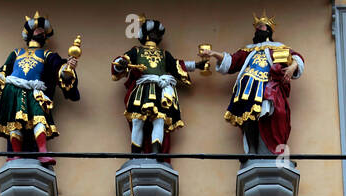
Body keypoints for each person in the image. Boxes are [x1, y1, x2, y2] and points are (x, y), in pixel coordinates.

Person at [0, 12, 79, 165]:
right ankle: (15, 155)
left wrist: (68, 69)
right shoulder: (16, 53)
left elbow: (59, 70)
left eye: (43, 32)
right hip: (13, 90)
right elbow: (4, 70)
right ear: (30, 33)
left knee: (39, 120)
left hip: (35, 91)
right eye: (38, 30)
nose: (41, 33)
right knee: (14, 122)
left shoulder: (48, 54)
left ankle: (42, 152)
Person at [210, 14, 304, 157]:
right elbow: (232, 61)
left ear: (269, 30)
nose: (258, 29)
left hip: (267, 86)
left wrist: (292, 68)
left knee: (274, 115)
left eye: (262, 26)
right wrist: (213, 53)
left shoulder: (278, 47)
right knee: (248, 117)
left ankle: (271, 150)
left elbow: (296, 57)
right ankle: (252, 150)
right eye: (257, 27)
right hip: (247, 86)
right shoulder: (248, 49)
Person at [111, 17, 203, 157]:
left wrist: (196, 65)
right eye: (152, 31)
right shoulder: (137, 51)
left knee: (159, 120)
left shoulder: (164, 54)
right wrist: (120, 63)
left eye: (157, 32)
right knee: (137, 120)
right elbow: (122, 61)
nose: (155, 34)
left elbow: (177, 65)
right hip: (142, 89)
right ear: (145, 33)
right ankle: (135, 154)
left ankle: (156, 153)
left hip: (160, 90)